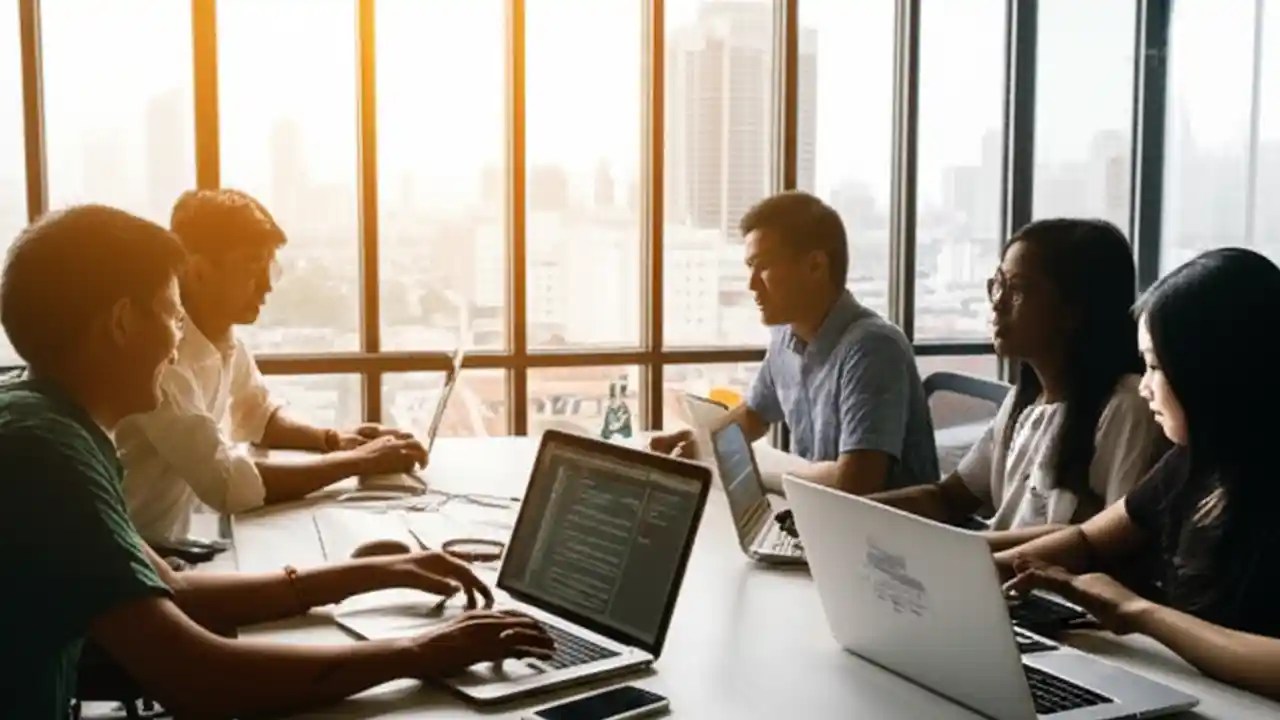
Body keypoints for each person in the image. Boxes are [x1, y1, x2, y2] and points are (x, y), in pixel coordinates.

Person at [0, 205, 551, 719]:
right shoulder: (47, 458)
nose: (176, 339)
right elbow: (195, 675)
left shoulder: (46, 426)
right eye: (170, 314)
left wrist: (377, 571)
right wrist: (422, 651)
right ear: (121, 324)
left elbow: (180, 590)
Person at [1001, 248, 1280, 700]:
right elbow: (1088, 539)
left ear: (1212, 371)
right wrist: (978, 571)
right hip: (1198, 690)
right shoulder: (1196, 459)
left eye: (1154, 366)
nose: (1144, 385)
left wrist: (1134, 610)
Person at [116, 189, 426, 543]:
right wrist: (359, 463)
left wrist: (336, 441)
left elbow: (258, 417)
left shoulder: (222, 338)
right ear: (198, 271)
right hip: (135, 555)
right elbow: (228, 485)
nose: (266, 286)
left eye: (270, 268)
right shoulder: (164, 361)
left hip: (175, 544)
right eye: (251, 267)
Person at [866, 219, 1164, 549]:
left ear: (1073, 310)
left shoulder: (1127, 408)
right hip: (993, 578)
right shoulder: (1024, 401)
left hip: (1042, 594)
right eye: (997, 284)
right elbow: (949, 498)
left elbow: (1107, 546)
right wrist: (854, 514)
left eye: (1017, 289)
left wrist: (972, 554)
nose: (998, 301)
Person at [651, 191, 937, 495]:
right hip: (823, 515)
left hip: (882, 532)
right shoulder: (785, 337)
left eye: (762, 266)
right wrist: (695, 443)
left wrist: (760, 475)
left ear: (815, 265)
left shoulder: (873, 348)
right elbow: (754, 415)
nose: (751, 284)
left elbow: (855, 484)